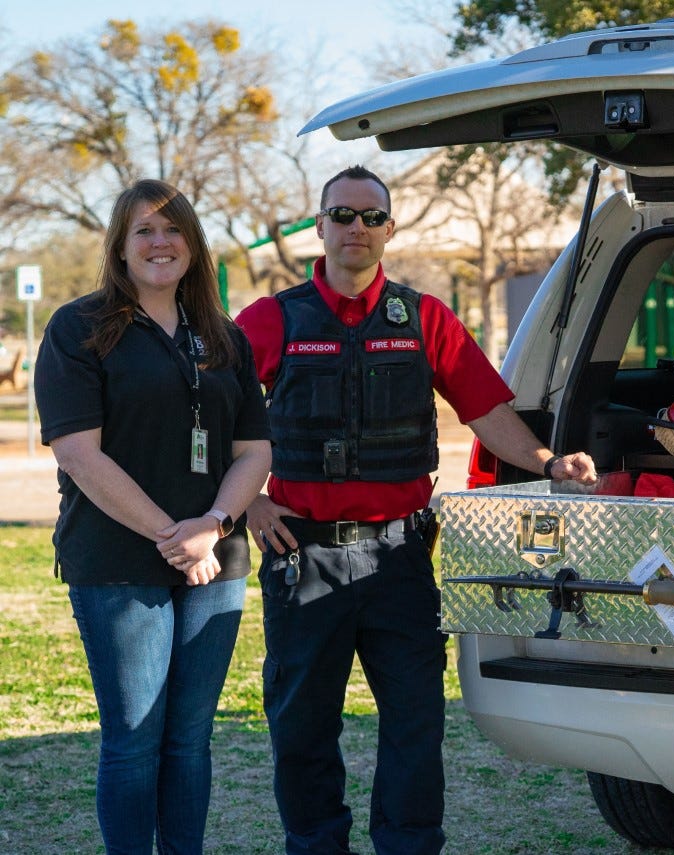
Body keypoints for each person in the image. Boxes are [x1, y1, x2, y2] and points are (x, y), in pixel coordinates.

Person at [235, 165, 597, 855]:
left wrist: (549, 462)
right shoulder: (271, 319)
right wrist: (247, 500)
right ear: (320, 224)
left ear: (390, 230)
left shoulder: (425, 317)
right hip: (302, 557)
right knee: (302, 726)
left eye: (372, 217)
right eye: (343, 215)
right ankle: (316, 845)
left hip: (400, 560)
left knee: (415, 724)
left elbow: (488, 410)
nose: (357, 229)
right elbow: (217, 410)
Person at [34, 179, 273, 854]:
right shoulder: (78, 329)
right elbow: (80, 455)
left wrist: (214, 526)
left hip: (214, 564)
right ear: (120, 245)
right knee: (135, 738)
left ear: (194, 246)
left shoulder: (225, 337)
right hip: (117, 564)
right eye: (144, 230)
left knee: (190, 737)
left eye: (172, 230)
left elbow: (255, 451)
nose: (160, 242)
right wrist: (175, 535)